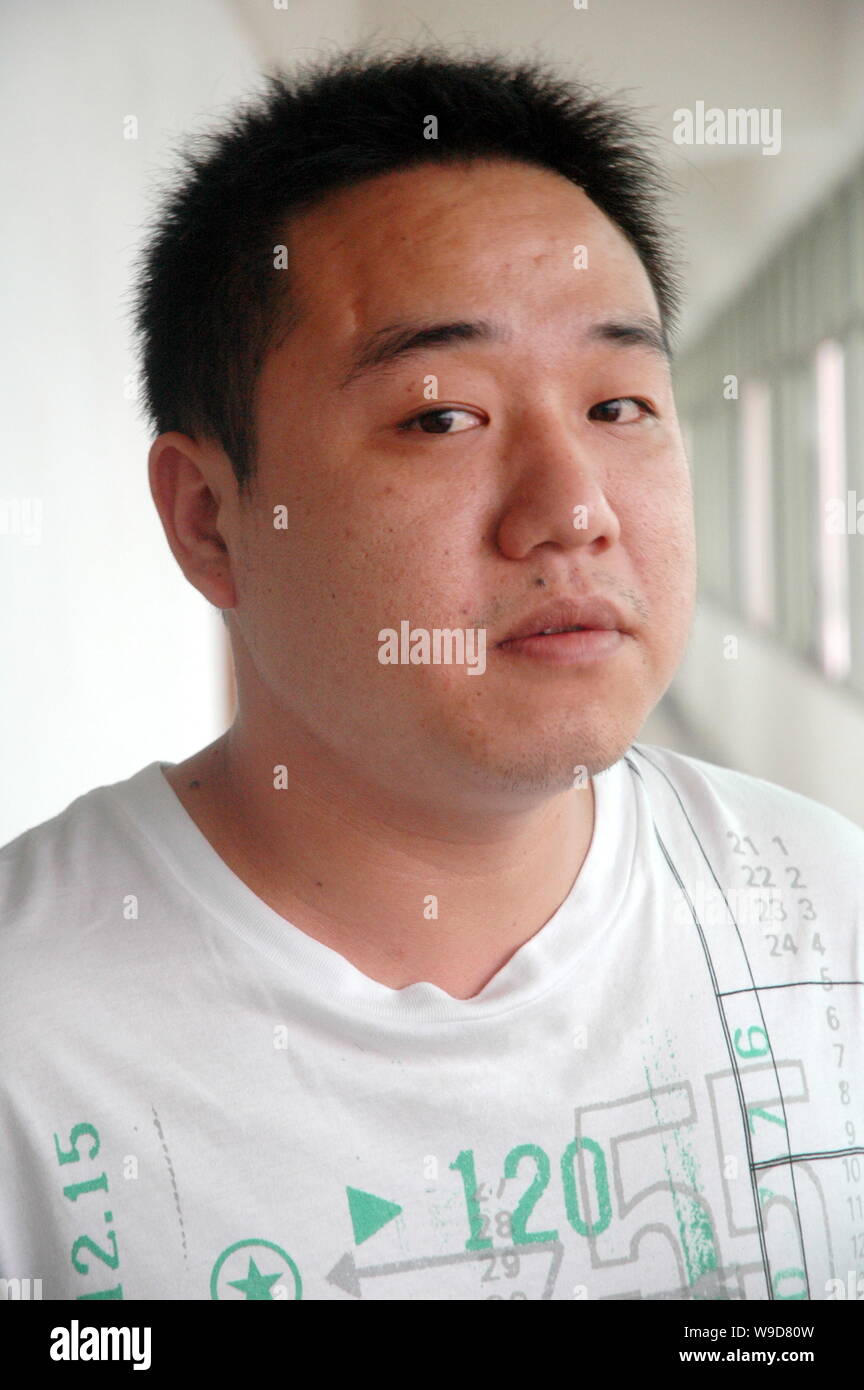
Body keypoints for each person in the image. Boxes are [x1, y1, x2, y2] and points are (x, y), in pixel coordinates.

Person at [1, 45, 861, 1304]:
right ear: (210, 519)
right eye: (442, 415)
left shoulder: (830, 913)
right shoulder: (38, 1037)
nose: (573, 511)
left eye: (620, 405)